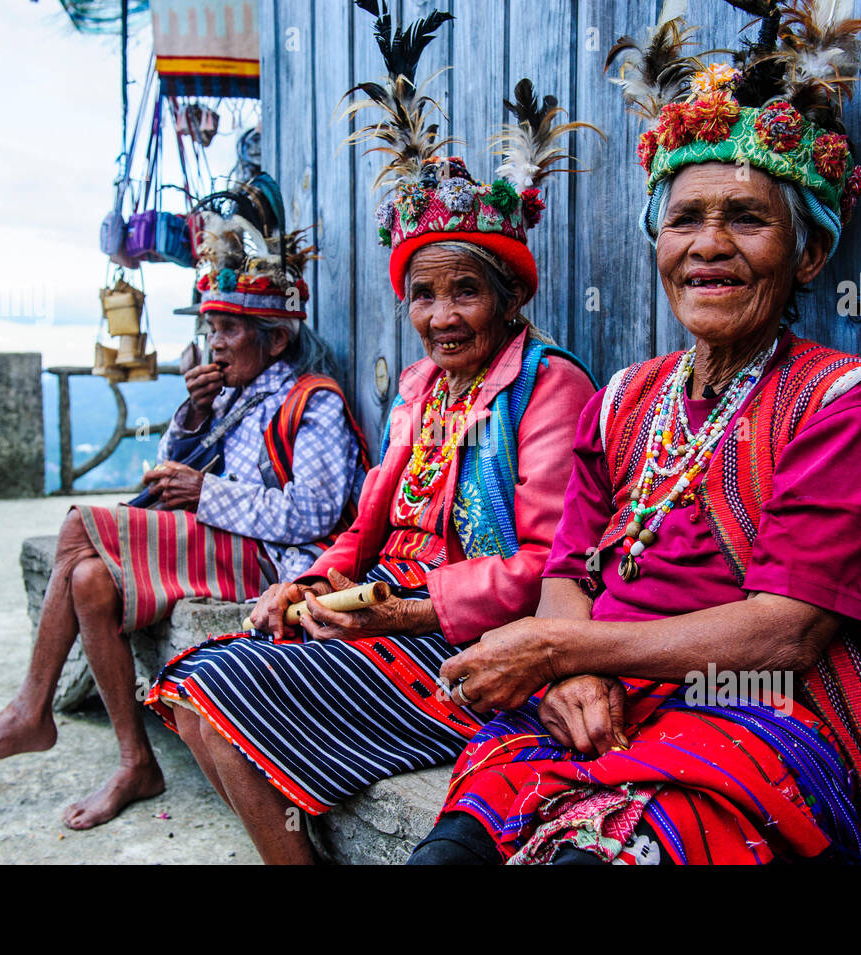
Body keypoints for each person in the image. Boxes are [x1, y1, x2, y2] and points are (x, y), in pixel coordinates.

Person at [412, 1, 861, 865]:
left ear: (806, 254)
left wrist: (559, 647)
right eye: (685, 218)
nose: (709, 246)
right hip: (598, 698)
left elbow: (783, 634)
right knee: (450, 856)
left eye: (748, 218)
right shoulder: (624, 399)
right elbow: (571, 568)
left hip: (758, 718)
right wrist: (572, 671)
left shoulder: (845, 404)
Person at [143, 4, 599, 864]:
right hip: (380, 603)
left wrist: (414, 610)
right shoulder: (423, 387)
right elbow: (362, 521)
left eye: (465, 290)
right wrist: (314, 578)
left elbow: (548, 565)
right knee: (194, 686)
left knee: (211, 692)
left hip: (469, 639)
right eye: (424, 295)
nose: (440, 315)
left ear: (508, 299)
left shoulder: (548, 385)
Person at [0, 219, 368, 831]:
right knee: (87, 579)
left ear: (274, 341)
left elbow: (314, 513)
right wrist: (193, 415)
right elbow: (173, 468)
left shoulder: (313, 402)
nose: (215, 344)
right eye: (211, 328)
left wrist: (204, 491)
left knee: (81, 522)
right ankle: (137, 763)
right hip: (212, 542)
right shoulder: (233, 392)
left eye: (230, 329)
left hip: (269, 561)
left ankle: (30, 710)